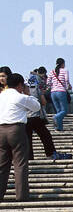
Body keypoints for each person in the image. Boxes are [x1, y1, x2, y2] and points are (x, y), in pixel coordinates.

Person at [0, 72, 40, 202]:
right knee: (20, 163)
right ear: (20, 85)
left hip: (1, 130)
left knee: (2, 165)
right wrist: (28, 93)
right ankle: (21, 196)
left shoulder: (1, 96)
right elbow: (36, 107)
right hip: (16, 130)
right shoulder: (20, 97)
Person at [48, 59, 72, 131]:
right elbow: (67, 80)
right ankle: (56, 117)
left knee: (59, 110)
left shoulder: (52, 71)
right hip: (61, 91)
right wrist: (68, 86)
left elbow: (48, 82)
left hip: (53, 92)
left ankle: (59, 128)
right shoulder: (65, 70)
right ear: (63, 64)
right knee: (64, 111)